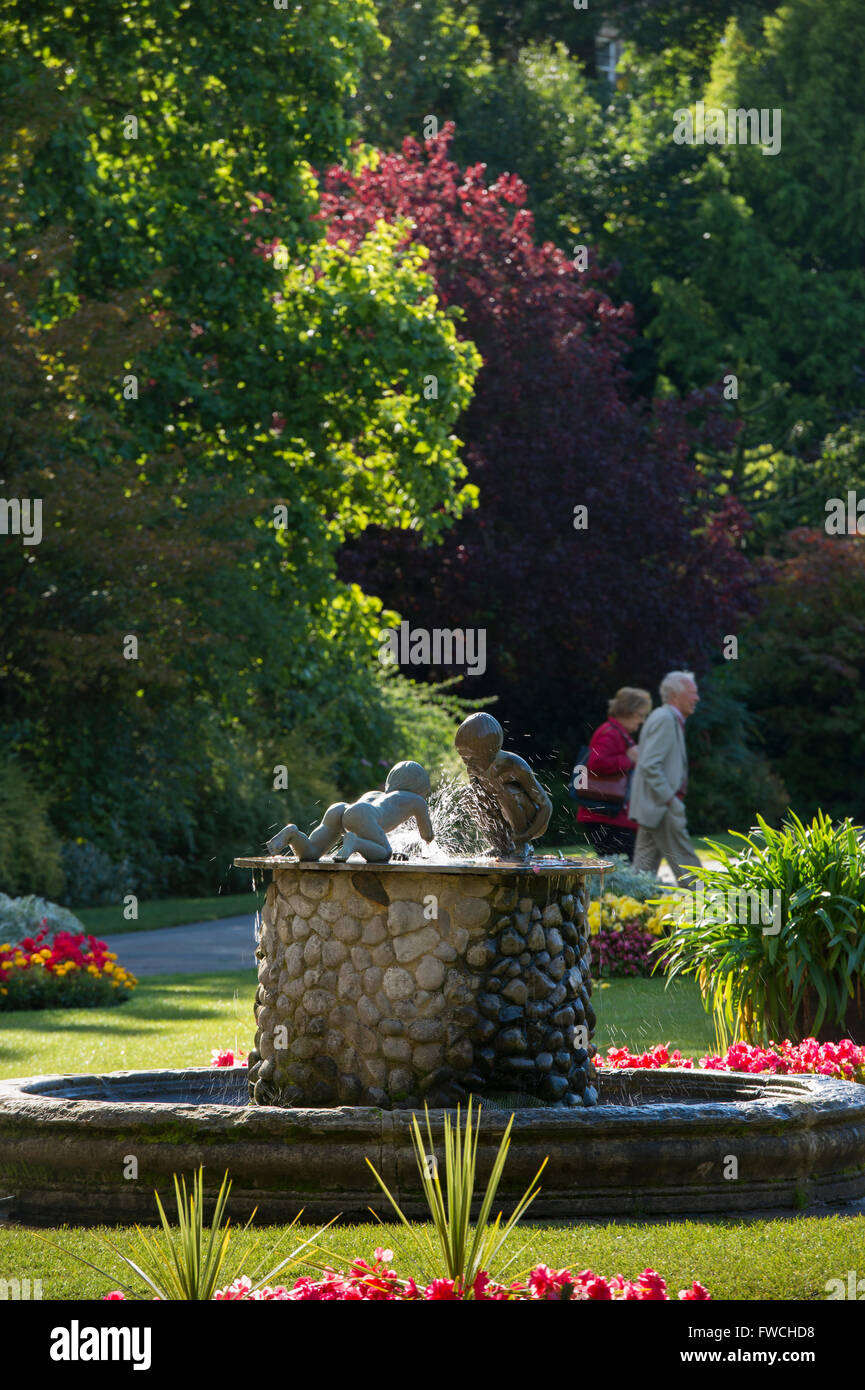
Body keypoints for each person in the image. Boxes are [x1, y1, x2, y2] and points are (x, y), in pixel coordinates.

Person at [266, 760, 434, 863]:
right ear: (419, 785)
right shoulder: (416, 800)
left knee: (310, 854)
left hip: (341, 808)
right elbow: (427, 836)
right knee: (384, 854)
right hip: (362, 814)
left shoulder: (375, 795)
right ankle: (354, 843)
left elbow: (362, 817)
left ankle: (293, 834)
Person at [629, 670, 699, 885]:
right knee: (689, 867)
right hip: (662, 807)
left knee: (642, 875)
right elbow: (650, 765)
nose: (697, 698)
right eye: (693, 693)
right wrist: (670, 799)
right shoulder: (666, 719)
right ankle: (712, 913)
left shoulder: (665, 717)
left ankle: (627, 915)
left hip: (654, 808)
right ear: (676, 696)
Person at [577, 687, 652, 860]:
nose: (642, 721)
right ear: (628, 711)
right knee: (621, 868)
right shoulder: (611, 733)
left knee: (623, 868)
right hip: (607, 815)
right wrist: (628, 758)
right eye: (640, 715)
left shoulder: (617, 732)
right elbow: (596, 763)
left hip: (609, 814)